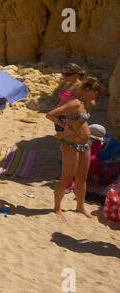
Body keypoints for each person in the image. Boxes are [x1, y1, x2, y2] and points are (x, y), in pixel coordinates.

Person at [47, 76, 102, 219]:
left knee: (82, 177)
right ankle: (57, 208)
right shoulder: (75, 104)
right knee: (66, 177)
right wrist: (66, 128)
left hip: (85, 144)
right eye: (95, 91)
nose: (97, 95)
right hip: (70, 144)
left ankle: (80, 207)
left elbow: (90, 104)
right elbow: (51, 115)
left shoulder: (84, 103)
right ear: (89, 90)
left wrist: (89, 96)